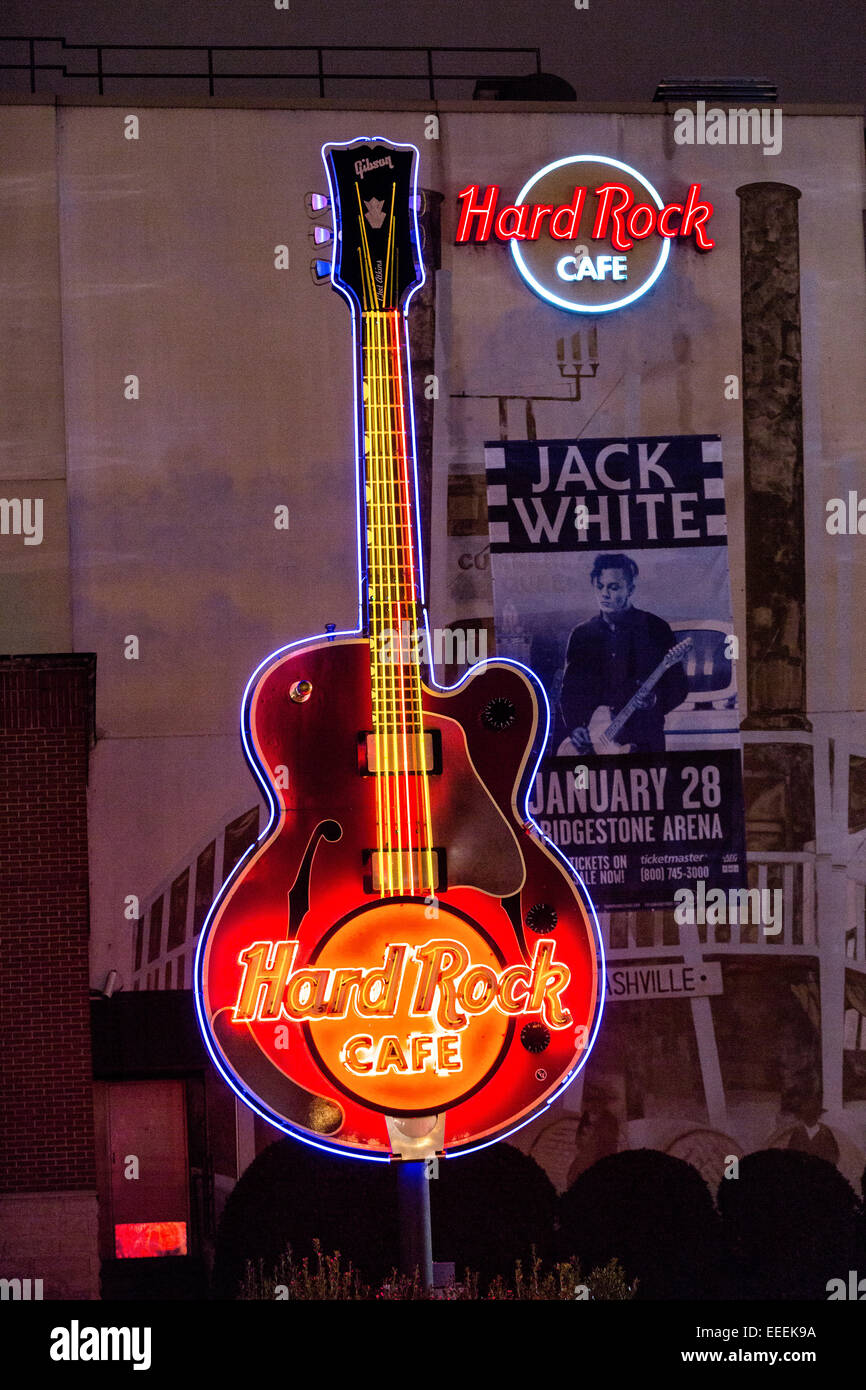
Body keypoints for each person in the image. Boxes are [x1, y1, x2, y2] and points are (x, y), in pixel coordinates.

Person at [559, 553, 688, 754]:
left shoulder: (655, 628)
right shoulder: (581, 635)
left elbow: (679, 687)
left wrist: (654, 700)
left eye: (614, 587)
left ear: (630, 589)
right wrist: (576, 726)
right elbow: (569, 691)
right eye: (599, 586)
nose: (605, 594)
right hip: (597, 744)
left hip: (645, 742)